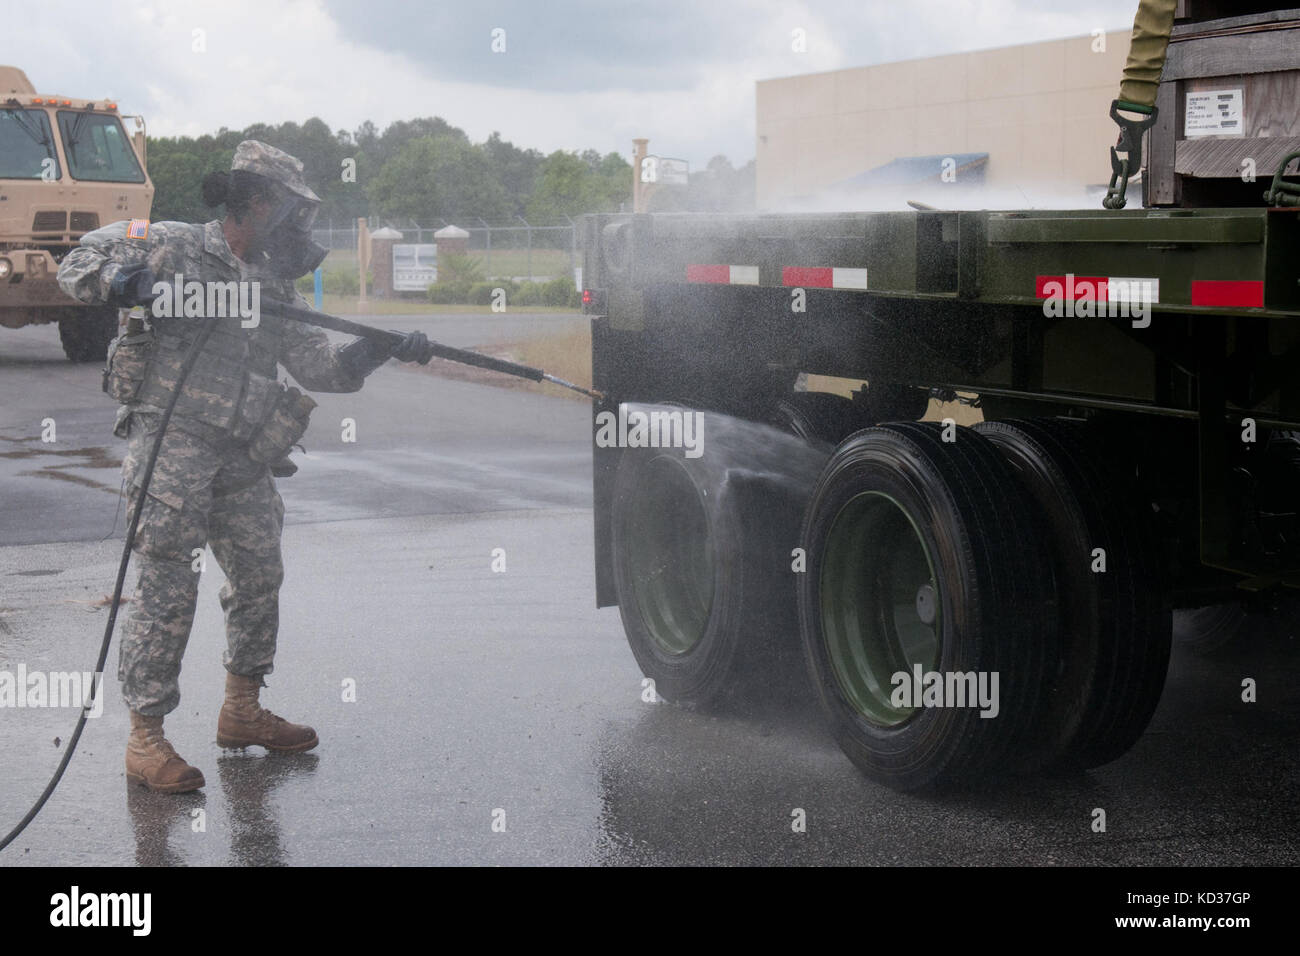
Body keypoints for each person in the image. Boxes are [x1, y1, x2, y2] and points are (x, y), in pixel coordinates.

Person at [57, 140, 428, 793]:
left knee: (260, 574)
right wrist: (127, 282)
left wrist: (379, 351)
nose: (298, 227)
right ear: (255, 202)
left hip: (242, 452)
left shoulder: (272, 283)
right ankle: (145, 741)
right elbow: (79, 261)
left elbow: (321, 369)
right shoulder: (168, 244)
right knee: (169, 586)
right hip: (171, 443)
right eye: (289, 210)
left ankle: (242, 711)